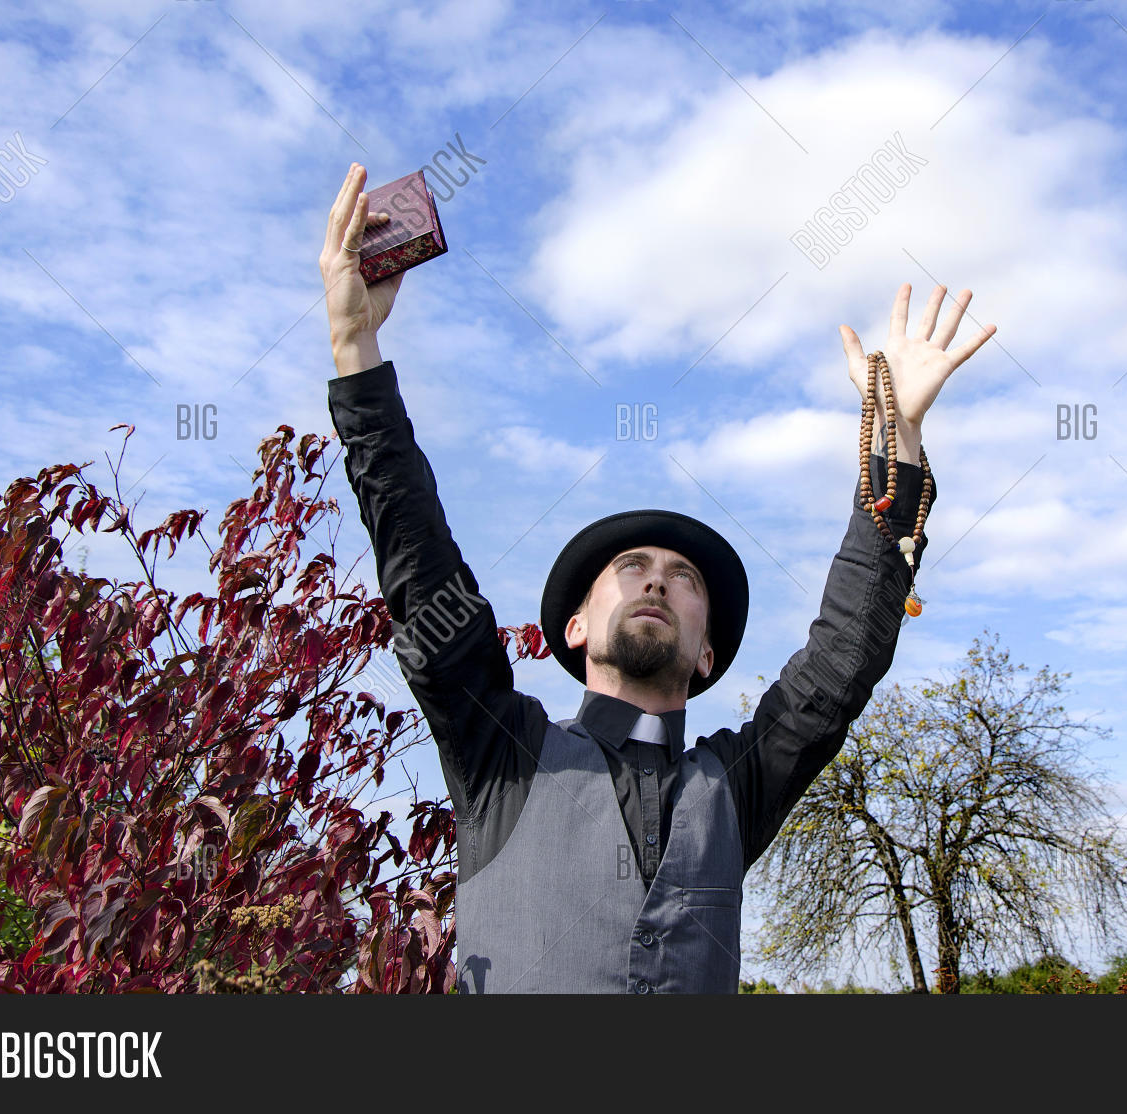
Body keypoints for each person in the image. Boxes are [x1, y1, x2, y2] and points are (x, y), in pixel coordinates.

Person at [318, 163, 995, 993]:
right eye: (630, 568)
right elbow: (422, 574)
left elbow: (840, 665)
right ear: (574, 626)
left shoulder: (734, 786)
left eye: (682, 578)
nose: (655, 582)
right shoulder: (504, 752)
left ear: (707, 652)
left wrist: (899, 435)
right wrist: (356, 350)